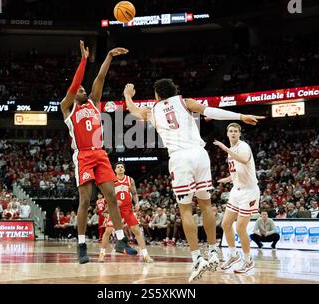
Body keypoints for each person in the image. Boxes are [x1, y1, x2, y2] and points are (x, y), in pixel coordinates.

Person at [123, 80, 264, 282]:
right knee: (206, 205)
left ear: (157, 95)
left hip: (180, 158)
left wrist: (128, 95)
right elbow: (211, 111)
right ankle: (214, 250)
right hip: (199, 154)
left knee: (186, 209)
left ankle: (197, 258)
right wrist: (241, 116)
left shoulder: (152, 110)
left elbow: (133, 110)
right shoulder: (184, 101)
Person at [60, 40, 135, 264]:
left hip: (100, 154)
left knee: (111, 196)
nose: (82, 89)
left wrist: (109, 55)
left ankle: (121, 239)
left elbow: (100, 78)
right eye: (79, 89)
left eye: (84, 89)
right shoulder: (67, 107)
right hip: (82, 155)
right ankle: (81, 244)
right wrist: (84, 60)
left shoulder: (93, 103)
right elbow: (76, 83)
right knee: (85, 201)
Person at [215, 123, 261, 273]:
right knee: (226, 224)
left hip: (249, 192)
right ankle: (234, 255)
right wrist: (228, 179)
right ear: (227, 133)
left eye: (236, 131)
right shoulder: (231, 151)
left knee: (240, 227)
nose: (233, 133)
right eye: (230, 131)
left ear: (239, 134)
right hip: (236, 190)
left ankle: (248, 261)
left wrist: (225, 148)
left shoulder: (243, 146)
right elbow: (238, 171)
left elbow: (244, 160)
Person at [99, 162, 153, 263]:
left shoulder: (130, 180)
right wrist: (108, 207)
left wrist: (136, 203)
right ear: (115, 170)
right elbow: (108, 196)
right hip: (115, 209)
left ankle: (146, 255)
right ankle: (101, 255)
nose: (120, 168)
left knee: (137, 231)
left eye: (121, 167)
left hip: (128, 209)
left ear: (124, 169)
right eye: (118, 167)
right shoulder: (111, 180)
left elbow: (134, 193)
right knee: (108, 231)